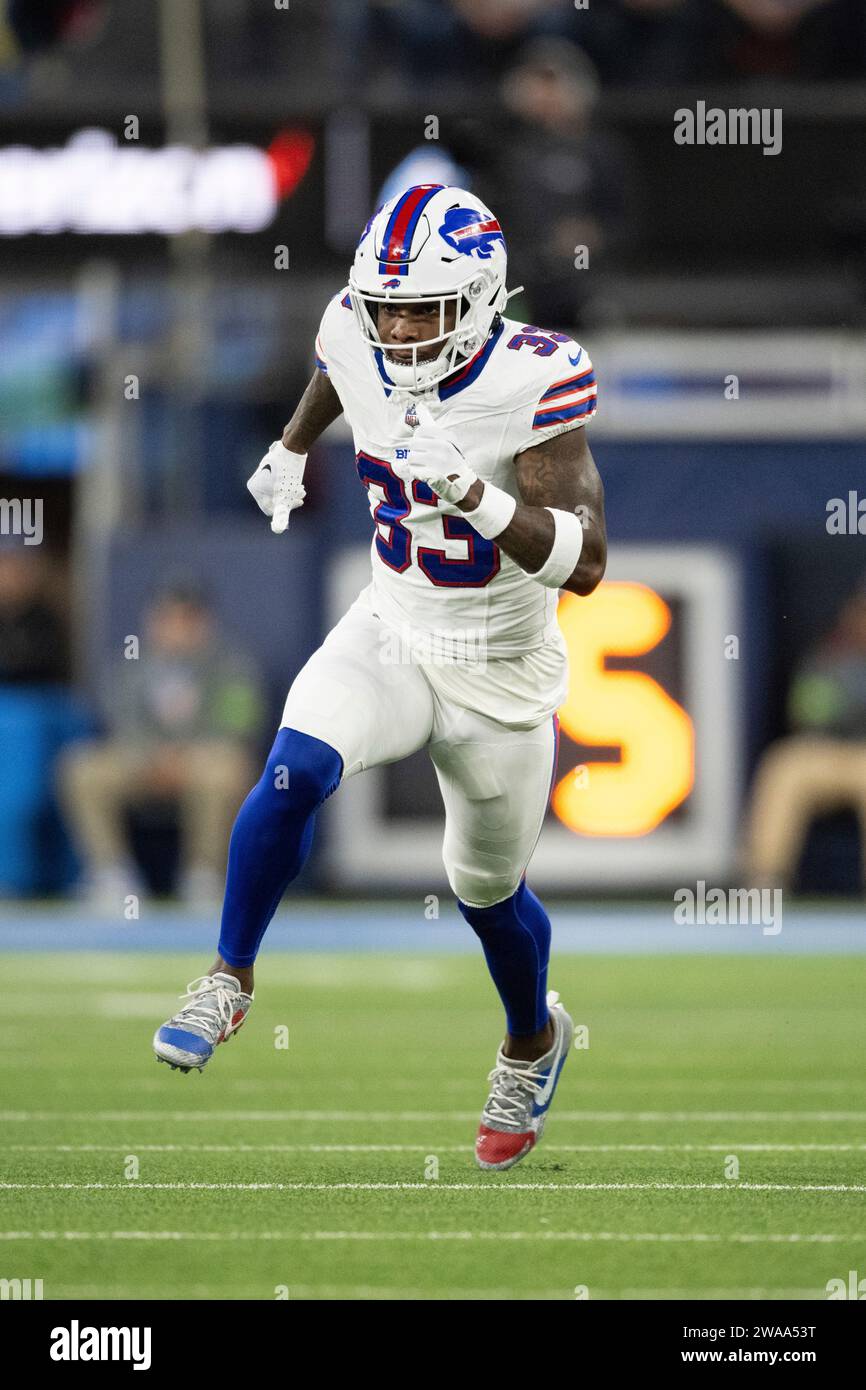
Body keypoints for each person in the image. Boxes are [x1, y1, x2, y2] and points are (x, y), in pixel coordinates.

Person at [153, 185, 606, 1172]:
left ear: (481, 298)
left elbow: (585, 562)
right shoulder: (354, 326)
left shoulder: (540, 376)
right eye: (383, 304)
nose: (396, 326)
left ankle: (530, 1039)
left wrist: (473, 495)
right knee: (293, 767)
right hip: (394, 627)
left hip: (498, 667)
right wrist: (287, 445)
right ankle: (228, 976)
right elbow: (336, 365)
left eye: (420, 308)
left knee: (485, 891)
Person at [59, 584, 264, 909]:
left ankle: (204, 875)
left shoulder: (232, 665)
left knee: (227, 767)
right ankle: (112, 875)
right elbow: (120, 723)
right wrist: (152, 758)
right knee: (82, 767)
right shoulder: (132, 662)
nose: (177, 628)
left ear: (204, 622)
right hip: (143, 762)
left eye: (187, 619)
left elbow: (238, 726)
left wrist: (183, 756)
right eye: (169, 618)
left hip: (201, 762)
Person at [745, 584, 866, 890]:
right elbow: (806, 713)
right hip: (828, 750)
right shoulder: (831, 657)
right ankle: (765, 878)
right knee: (785, 765)